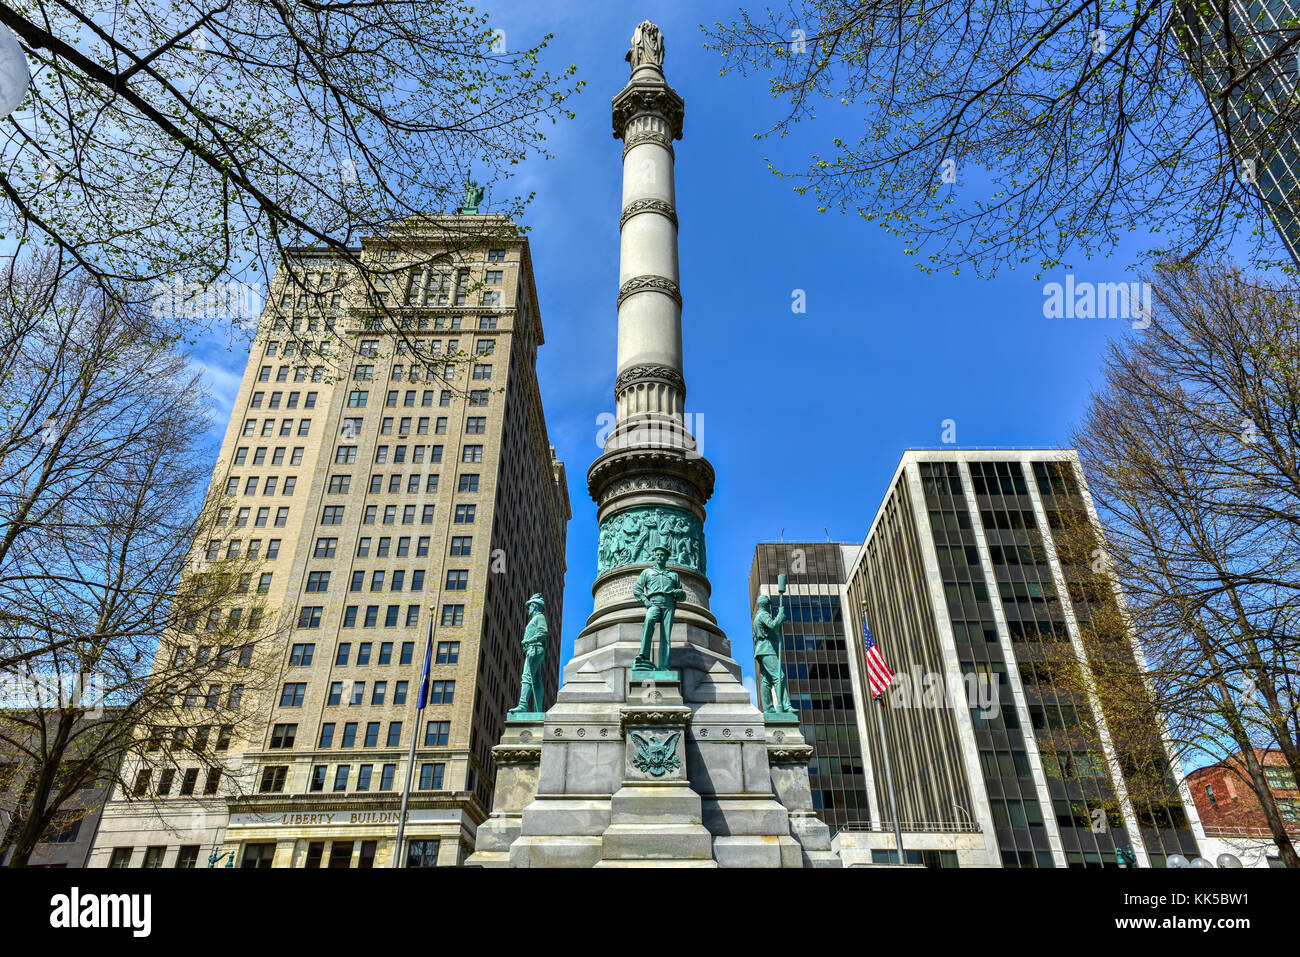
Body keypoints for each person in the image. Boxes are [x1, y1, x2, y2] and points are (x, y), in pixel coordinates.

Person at [632, 546, 686, 671]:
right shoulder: (647, 572)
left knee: (666, 635)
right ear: (654, 557)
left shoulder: (673, 574)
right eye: (657, 555)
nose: (660, 557)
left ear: (667, 557)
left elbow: (683, 595)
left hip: (669, 604)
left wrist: (679, 593)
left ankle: (664, 666)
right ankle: (644, 656)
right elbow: (637, 589)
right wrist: (646, 602)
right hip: (654, 603)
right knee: (649, 621)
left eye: (662, 555)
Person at [508, 593, 548, 716]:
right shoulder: (536, 618)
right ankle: (538, 709)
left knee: (527, 676)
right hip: (533, 649)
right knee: (536, 679)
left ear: (535, 606)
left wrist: (529, 641)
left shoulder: (539, 617)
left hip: (534, 649)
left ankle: (523, 706)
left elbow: (544, 632)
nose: (529, 609)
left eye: (530, 606)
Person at [753, 594, 793, 715]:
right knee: (779, 676)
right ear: (766, 605)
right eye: (769, 605)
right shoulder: (763, 615)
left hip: (762, 651)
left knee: (766, 680)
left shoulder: (757, 617)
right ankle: (786, 705)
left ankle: (768, 708)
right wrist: (780, 615)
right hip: (767, 650)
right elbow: (773, 624)